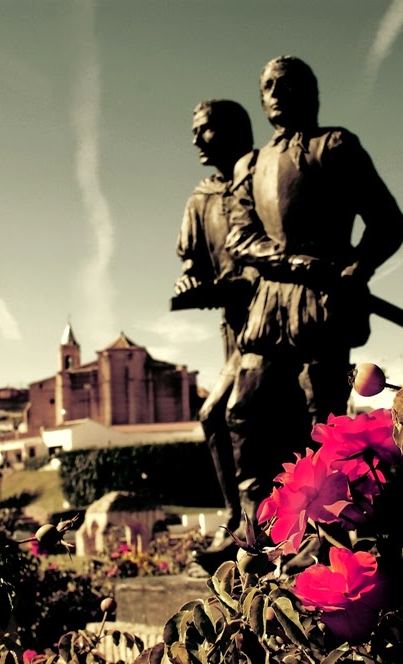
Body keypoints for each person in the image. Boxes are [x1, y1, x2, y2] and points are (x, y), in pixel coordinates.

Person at [223, 55, 403, 530]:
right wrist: (289, 262)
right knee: (245, 409)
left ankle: (326, 532)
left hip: (321, 305)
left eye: (288, 85)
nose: (276, 94)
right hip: (269, 304)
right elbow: (239, 238)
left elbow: (389, 223)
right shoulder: (251, 164)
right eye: (268, 86)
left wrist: (356, 269)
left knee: (320, 417)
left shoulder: (336, 146)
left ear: (312, 93)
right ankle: (251, 528)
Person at [172, 99, 256, 536]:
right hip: (236, 330)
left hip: (278, 321)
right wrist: (192, 284)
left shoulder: (264, 176)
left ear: (231, 130)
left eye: (204, 129)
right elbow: (195, 269)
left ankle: (261, 521)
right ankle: (238, 517)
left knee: (246, 415)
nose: (195, 139)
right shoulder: (201, 199)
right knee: (217, 415)